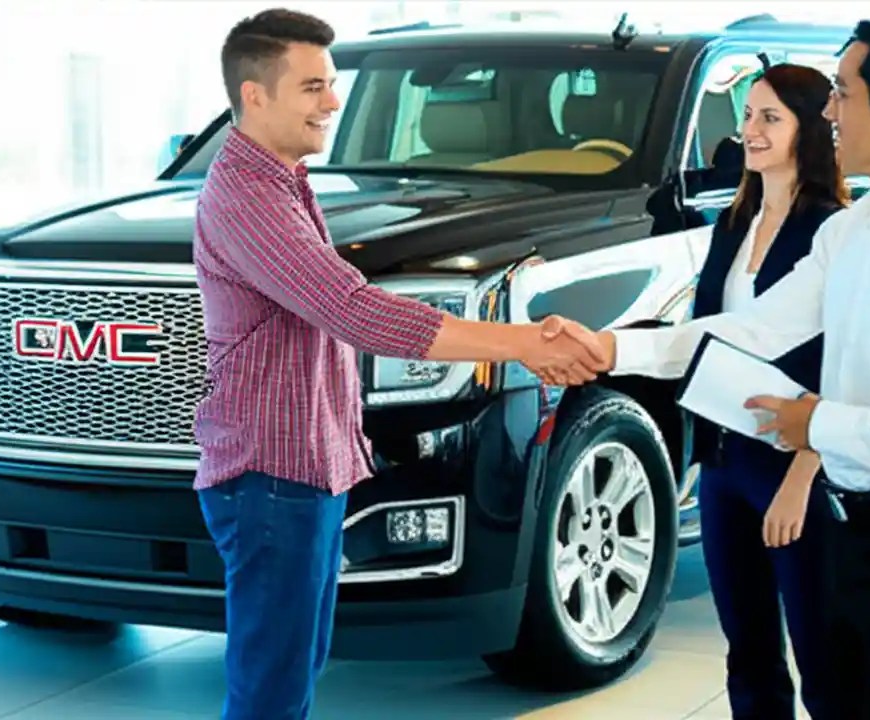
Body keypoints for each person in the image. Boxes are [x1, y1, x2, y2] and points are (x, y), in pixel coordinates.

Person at [546, 20, 870, 720]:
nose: (829, 113)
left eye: (842, 95)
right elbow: (754, 331)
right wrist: (616, 349)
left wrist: (815, 425)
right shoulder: (850, 233)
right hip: (848, 523)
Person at [191, 9, 606, 720]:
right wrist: (526, 344)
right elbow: (355, 312)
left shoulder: (285, 180)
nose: (333, 101)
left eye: (332, 84)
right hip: (271, 478)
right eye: (314, 86)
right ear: (255, 96)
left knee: (292, 673)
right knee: (270, 691)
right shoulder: (249, 196)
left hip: (304, 467)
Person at [688, 63, 848, 720]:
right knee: (747, 649)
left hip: (794, 466)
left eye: (768, 118)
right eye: (747, 116)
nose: (747, 132)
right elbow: (709, 336)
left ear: (808, 131)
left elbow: (846, 365)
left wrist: (802, 475)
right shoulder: (733, 223)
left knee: (822, 652)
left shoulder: (834, 230)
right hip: (725, 465)